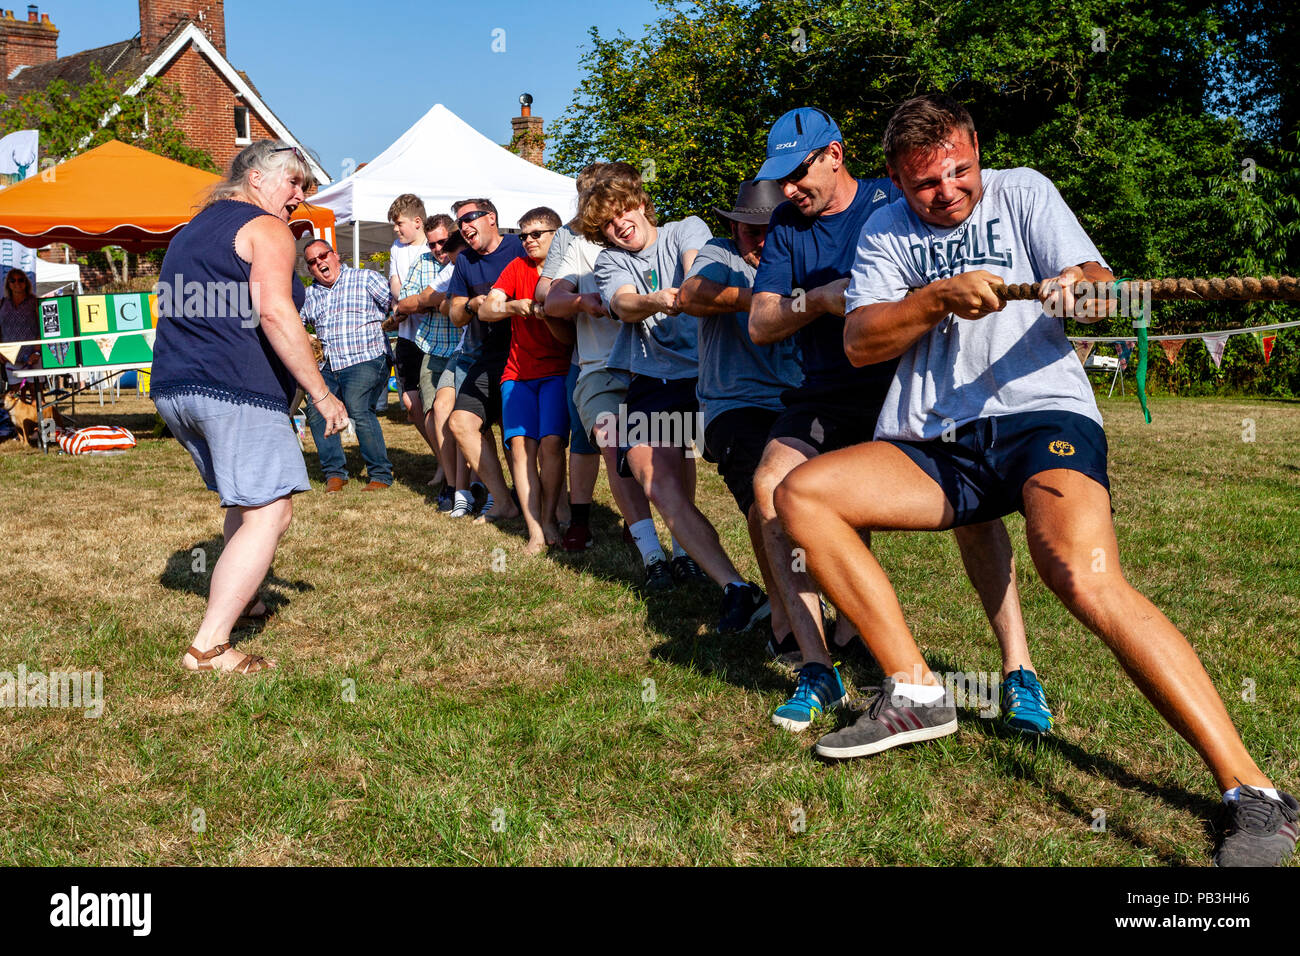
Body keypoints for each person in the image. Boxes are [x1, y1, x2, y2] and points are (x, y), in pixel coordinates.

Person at [775, 94, 1296, 867]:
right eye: (926, 184)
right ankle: (915, 690)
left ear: (976, 150)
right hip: (937, 441)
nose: (947, 190)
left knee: (1082, 578)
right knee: (800, 494)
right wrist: (935, 300)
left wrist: (1080, 285)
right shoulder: (885, 230)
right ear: (895, 179)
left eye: (959, 171)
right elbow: (858, 341)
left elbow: (1097, 278)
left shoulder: (1026, 190)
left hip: (1040, 416)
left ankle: (1253, 795)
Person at [750, 107, 1050, 733]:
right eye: (781, 178)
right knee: (770, 494)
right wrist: (822, 299)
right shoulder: (784, 224)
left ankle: (1018, 672)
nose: (789, 190)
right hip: (831, 393)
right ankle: (818, 667)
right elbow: (761, 322)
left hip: (918, 386)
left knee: (978, 514)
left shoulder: (899, 199)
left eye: (799, 173)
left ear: (835, 154)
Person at [150, 140, 348, 674]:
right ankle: (209, 646)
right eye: (294, 184)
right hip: (234, 388)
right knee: (271, 511)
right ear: (257, 178)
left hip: (175, 386)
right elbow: (276, 313)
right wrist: (323, 394)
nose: (299, 197)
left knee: (244, 502)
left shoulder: (191, 230)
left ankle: (250, 599)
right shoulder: (265, 228)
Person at [583, 167, 768, 633]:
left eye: (624, 210)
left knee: (754, 483)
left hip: (713, 373)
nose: (620, 224)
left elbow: (696, 271)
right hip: (656, 380)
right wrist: (657, 300)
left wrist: (687, 290)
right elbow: (623, 304)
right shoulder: (610, 262)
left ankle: (790, 591)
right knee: (652, 476)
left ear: (642, 204)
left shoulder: (687, 228)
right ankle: (736, 588)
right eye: (608, 223)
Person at [677, 178, 805, 670]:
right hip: (734, 404)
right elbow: (692, 293)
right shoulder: (720, 253)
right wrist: (764, 302)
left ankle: (842, 622)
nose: (759, 239)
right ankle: (782, 621)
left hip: (799, 397)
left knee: (827, 503)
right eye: (749, 228)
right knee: (764, 497)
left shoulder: (801, 253)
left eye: (769, 229)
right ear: (733, 225)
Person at [544, 164, 678, 588]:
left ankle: (686, 548)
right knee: (612, 442)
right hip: (600, 367)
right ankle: (651, 552)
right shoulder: (580, 247)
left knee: (674, 451)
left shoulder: (664, 238)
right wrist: (583, 301)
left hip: (656, 365)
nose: (610, 216)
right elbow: (549, 298)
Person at [479, 207, 573, 554]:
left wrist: (545, 314)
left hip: (556, 372)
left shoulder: (565, 271)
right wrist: (512, 307)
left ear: (556, 235)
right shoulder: (516, 267)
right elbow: (487, 309)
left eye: (537, 234)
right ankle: (534, 529)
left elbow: (567, 339)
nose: (529, 241)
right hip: (516, 374)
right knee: (520, 447)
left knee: (551, 444)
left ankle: (549, 517)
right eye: (523, 235)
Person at [446, 198, 523, 523]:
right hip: (487, 357)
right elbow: (454, 315)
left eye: (470, 218)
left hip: (525, 355)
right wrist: (471, 305)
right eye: (459, 221)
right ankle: (503, 501)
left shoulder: (520, 246)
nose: (464, 226)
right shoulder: (465, 261)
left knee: (516, 437)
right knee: (460, 423)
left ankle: (542, 501)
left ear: (491, 217)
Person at [299, 238, 394, 491]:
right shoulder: (310, 294)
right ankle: (334, 474)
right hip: (330, 364)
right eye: (312, 262)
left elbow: (396, 306)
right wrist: (303, 333)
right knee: (318, 410)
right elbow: (294, 323)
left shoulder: (366, 279)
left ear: (335, 255)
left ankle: (380, 475)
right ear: (309, 269)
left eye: (323, 256)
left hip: (367, 357)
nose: (320, 263)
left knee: (357, 405)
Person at [395, 215, 461, 504]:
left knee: (462, 418)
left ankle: (470, 480)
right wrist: (433, 300)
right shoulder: (423, 262)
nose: (436, 249)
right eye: (432, 243)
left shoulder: (464, 261)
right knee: (432, 414)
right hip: (432, 346)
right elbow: (405, 303)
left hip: (464, 349)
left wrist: (428, 300)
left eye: (442, 242)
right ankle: (450, 478)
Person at [385, 194, 438, 465]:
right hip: (406, 333)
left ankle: (448, 461)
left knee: (431, 404)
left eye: (399, 223)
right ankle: (441, 458)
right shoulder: (396, 248)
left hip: (430, 334)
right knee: (410, 402)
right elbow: (394, 281)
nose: (396, 229)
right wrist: (404, 299)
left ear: (418, 222)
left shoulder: (433, 246)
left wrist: (412, 302)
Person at [0, 268, 40, 387]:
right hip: (10, 356)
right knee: (16, 397)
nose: (17, 283)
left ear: (26, 282)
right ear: (8, 284)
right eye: (13, 280)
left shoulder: (35, 302)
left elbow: (42, 329)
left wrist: (37, 352)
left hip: (32, 356)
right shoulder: (2, 303)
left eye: (20, 280)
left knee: (36, 396)